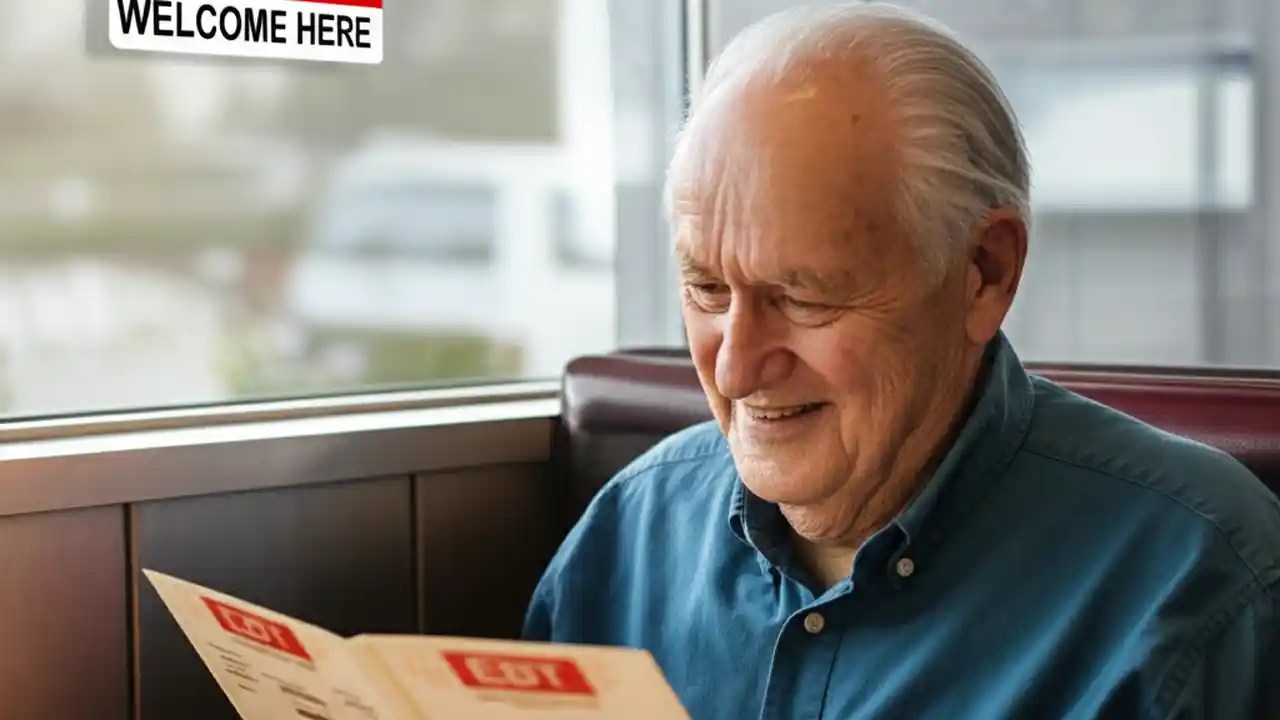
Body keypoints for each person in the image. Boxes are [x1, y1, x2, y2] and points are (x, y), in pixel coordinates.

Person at [522, 3, 1280, 718]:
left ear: (983, 272)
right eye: (707, 289)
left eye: (802, 297)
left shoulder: (1195, 580)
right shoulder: (631, 533)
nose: (735, 371)